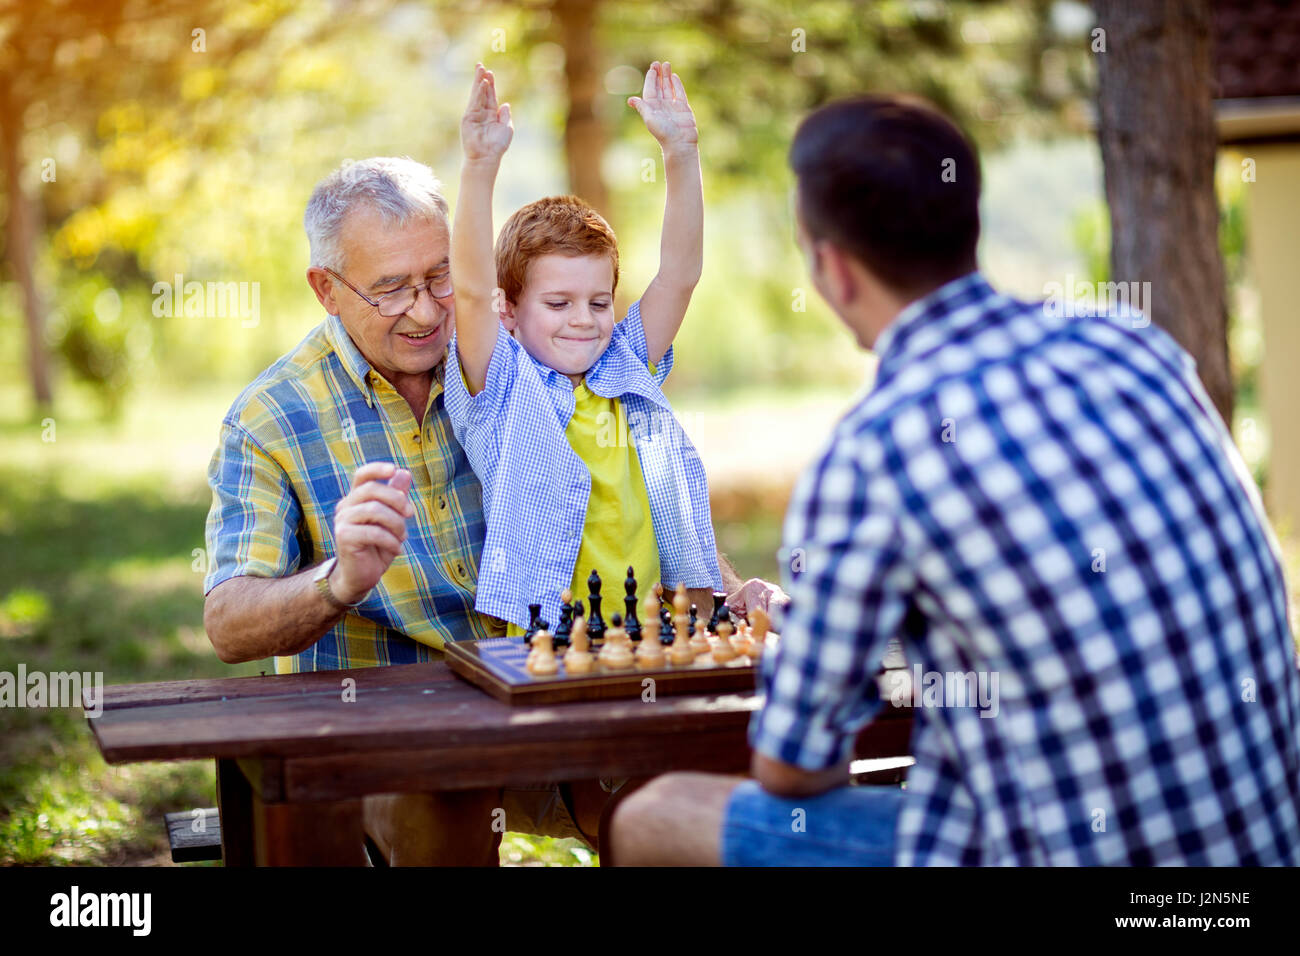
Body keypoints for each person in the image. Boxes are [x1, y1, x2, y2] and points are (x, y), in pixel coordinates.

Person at [610, 95, 1300, 865]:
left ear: (832, 268)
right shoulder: (1131, 345)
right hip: (1260, 849)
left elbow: (795, 766)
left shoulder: (875, 448)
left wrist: (824, 658)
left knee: (656, 817)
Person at [203, 157, 607, 863]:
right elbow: (230, 623)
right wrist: (340, 580)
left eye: (439, 277)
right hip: (391, 738)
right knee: (447, 803)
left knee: (662, 794)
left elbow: (640, 482)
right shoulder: (271, 418)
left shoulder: (516, 362)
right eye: (390, 289)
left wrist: (729, 584)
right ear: (326, 290)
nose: (424, 311)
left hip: (547, 704)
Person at [445, 61, 723, 632]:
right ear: (510, 311)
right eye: (557, 304)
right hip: (554, 640)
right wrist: (479, 166)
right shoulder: (501, 384)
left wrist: (680, 151)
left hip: (655, 630)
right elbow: (470, 292)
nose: (584, 322)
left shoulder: (625, 362)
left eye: (599, 303)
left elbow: (680, 274)